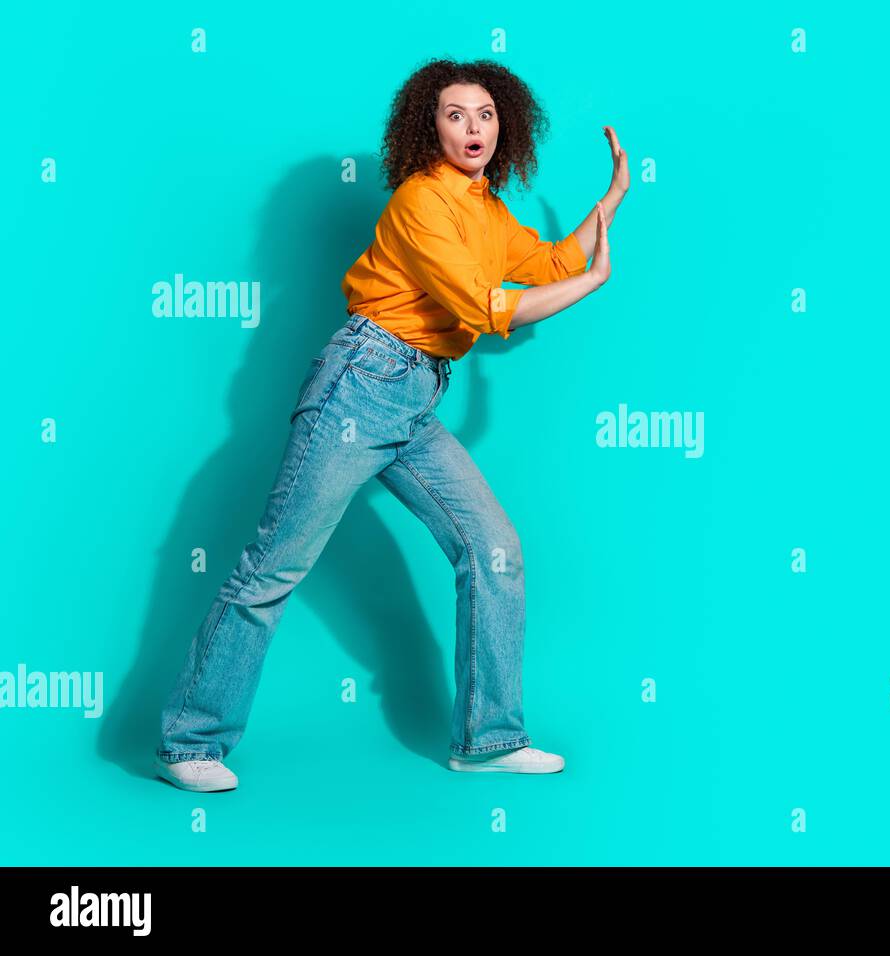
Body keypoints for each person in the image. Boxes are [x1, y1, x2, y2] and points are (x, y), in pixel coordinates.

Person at [153, 57, 628, 791]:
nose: (473, 128)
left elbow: (540, 263)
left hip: (415, 398)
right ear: (427, 127)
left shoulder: (486, 208)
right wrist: (593, 283)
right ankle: (190, 741)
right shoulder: (419, 202)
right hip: (359, 387)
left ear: (505, 127)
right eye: (455, 115)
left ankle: (488, 738)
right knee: (277, 564)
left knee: (494, 549)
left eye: (486, 115)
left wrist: (608, 205)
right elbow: (485, 310)